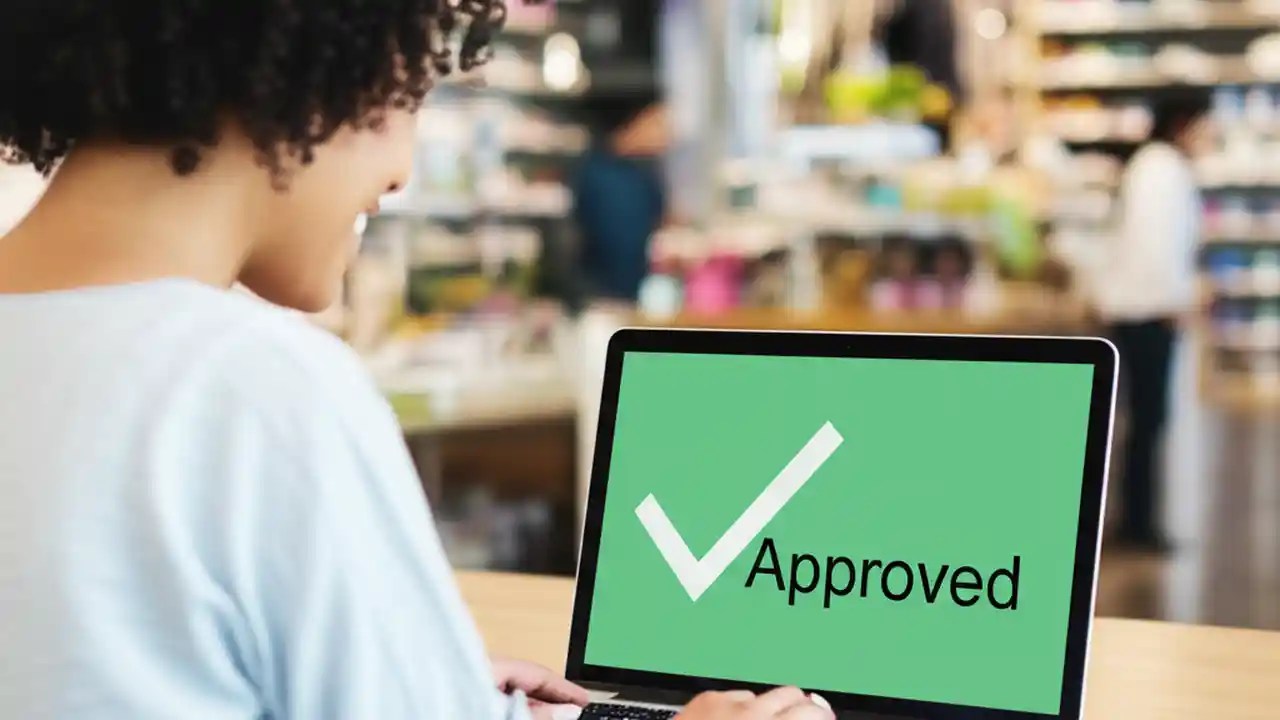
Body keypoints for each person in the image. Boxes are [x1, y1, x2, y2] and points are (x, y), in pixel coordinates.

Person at [0, 3, 832, 720]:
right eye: (413, 95)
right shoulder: (258, 389)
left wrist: (422, 678)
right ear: (310, 64)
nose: (401, 171)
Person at [1094, 99, 1209, 552]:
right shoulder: (1161, 171)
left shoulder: (1152, 167)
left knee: (1145, 420)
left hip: (1143, 308)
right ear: (1183, 125)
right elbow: (1154, 247)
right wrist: (1173, 302)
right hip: (1147, 312)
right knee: (1147, 420)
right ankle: (1137, 524)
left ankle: (1138, 520)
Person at [573, 100, 669, 302]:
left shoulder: (645, 176)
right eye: (656, 123)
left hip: (638, 293)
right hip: (597, 295)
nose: (666, 135)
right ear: (634, 122)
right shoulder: (594, 173)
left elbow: (659, 223)